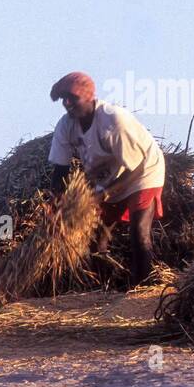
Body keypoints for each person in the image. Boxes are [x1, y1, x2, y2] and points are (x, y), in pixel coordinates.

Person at [47, 71, 166, 287]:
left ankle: (143, 288)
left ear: (89, 96)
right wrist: (56, 204)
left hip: (143, 171)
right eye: (63, 99)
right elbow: (60, 170)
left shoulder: (113, 120)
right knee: (97, 237)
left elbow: (137, 167)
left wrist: (104, 194)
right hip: (108, 176)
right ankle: (104, 289)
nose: (67, 104)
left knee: (139, 232)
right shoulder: (66, 126)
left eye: (72, 98)